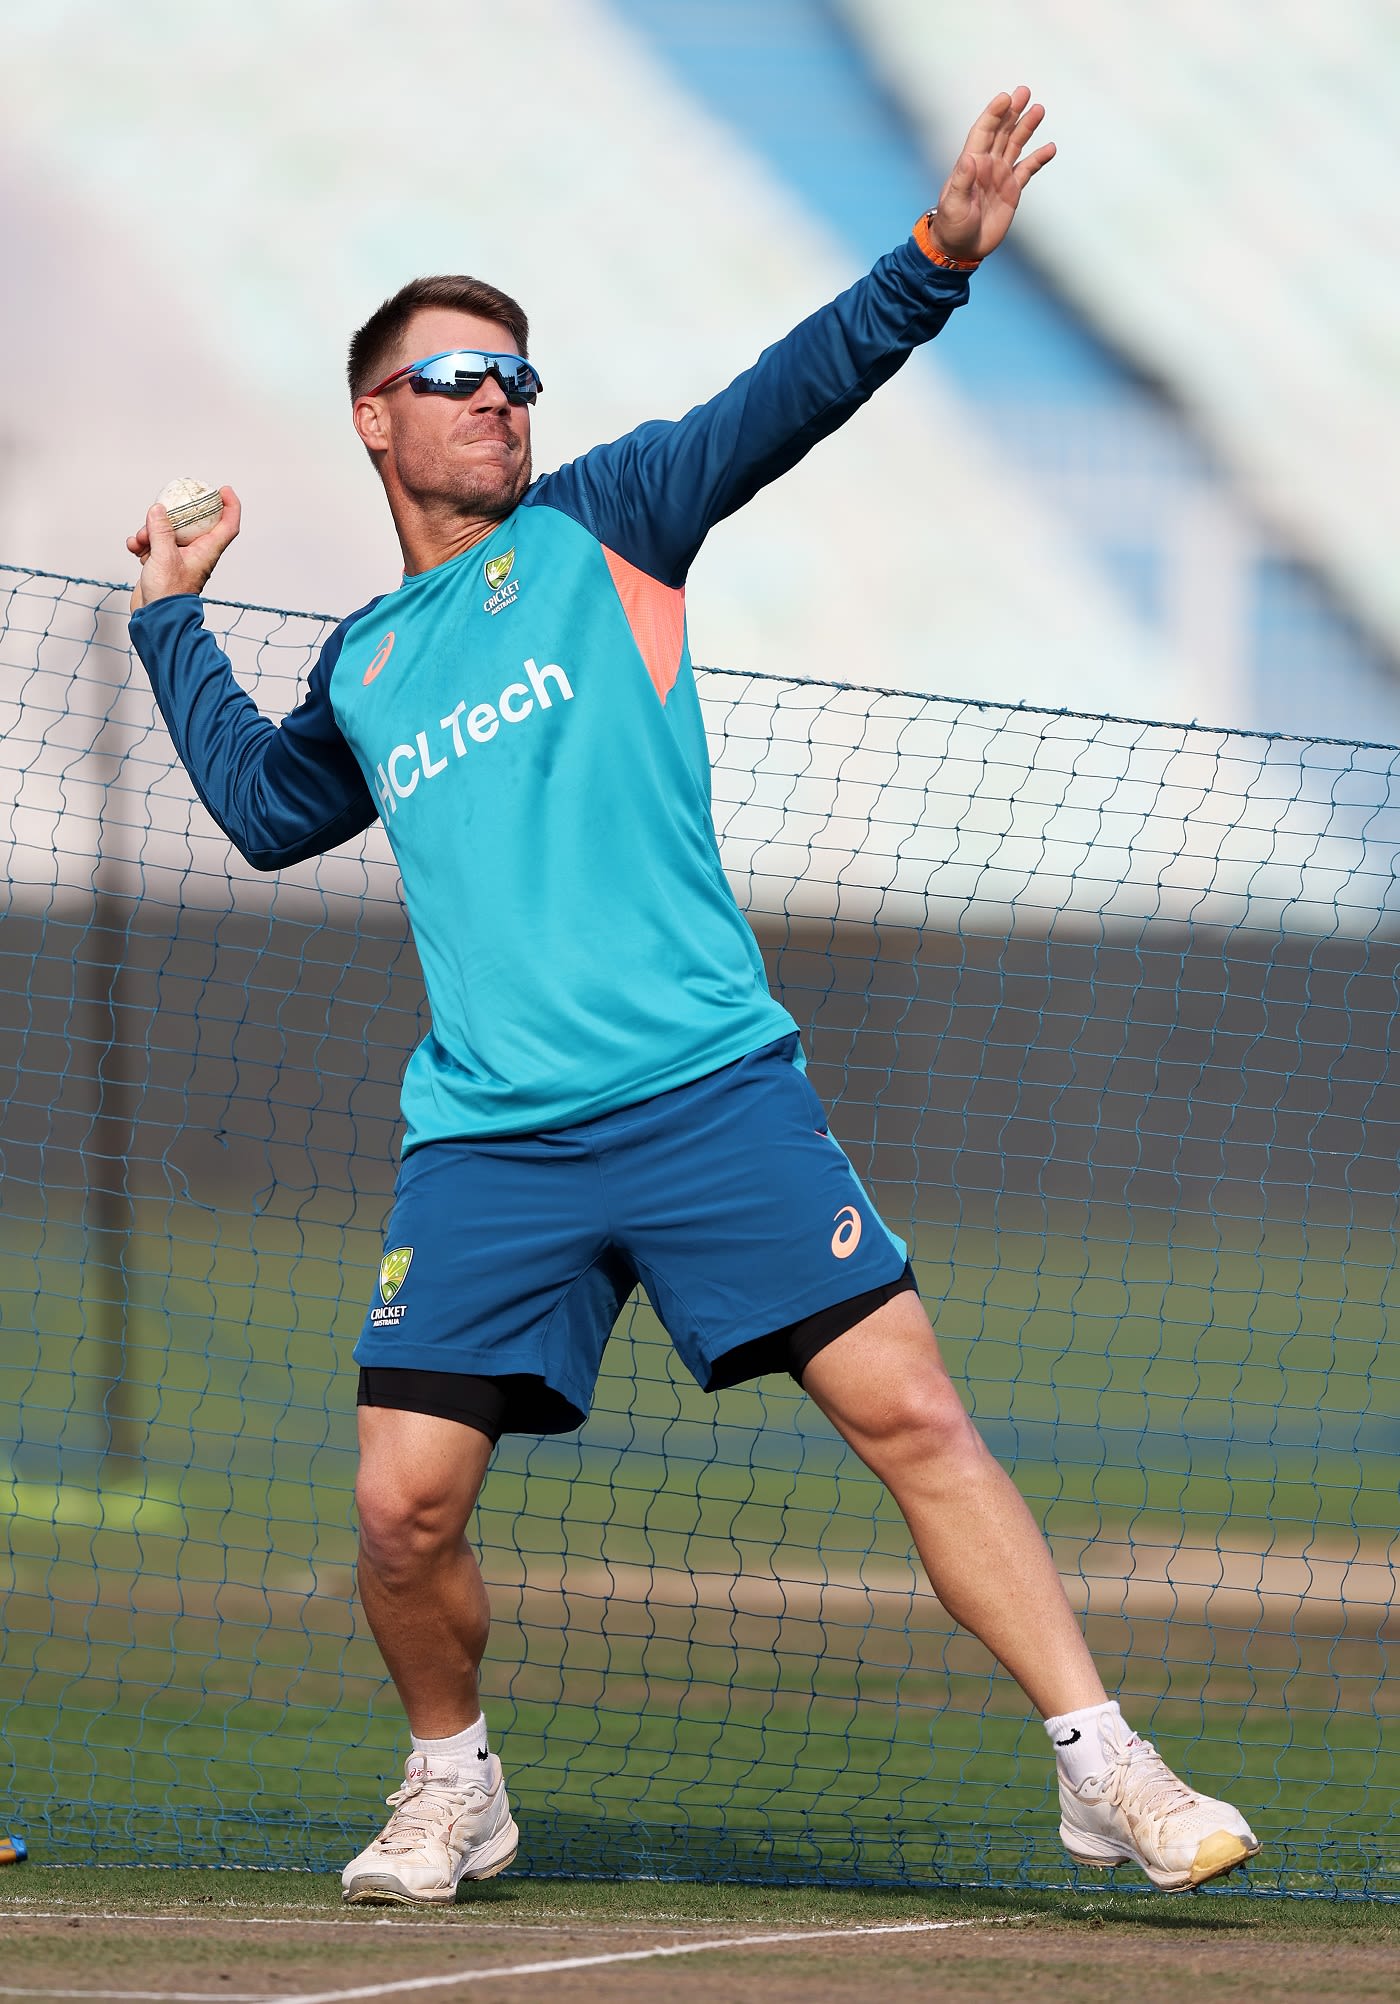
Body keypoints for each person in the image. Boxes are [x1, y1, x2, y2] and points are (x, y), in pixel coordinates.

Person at [126, 88, 1259, 1904]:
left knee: (915, 1418)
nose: (504, 396)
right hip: (494, 1137)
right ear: (375, 416)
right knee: (400, 1511)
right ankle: (453, 1787)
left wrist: (939, 261)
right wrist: (173, 619)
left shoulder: (612, 519)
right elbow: (269, 815)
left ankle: (1100, 1762)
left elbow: (784, 392)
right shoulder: (369, 658)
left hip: (709, 1090)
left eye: (519, 373)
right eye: (462, 373)